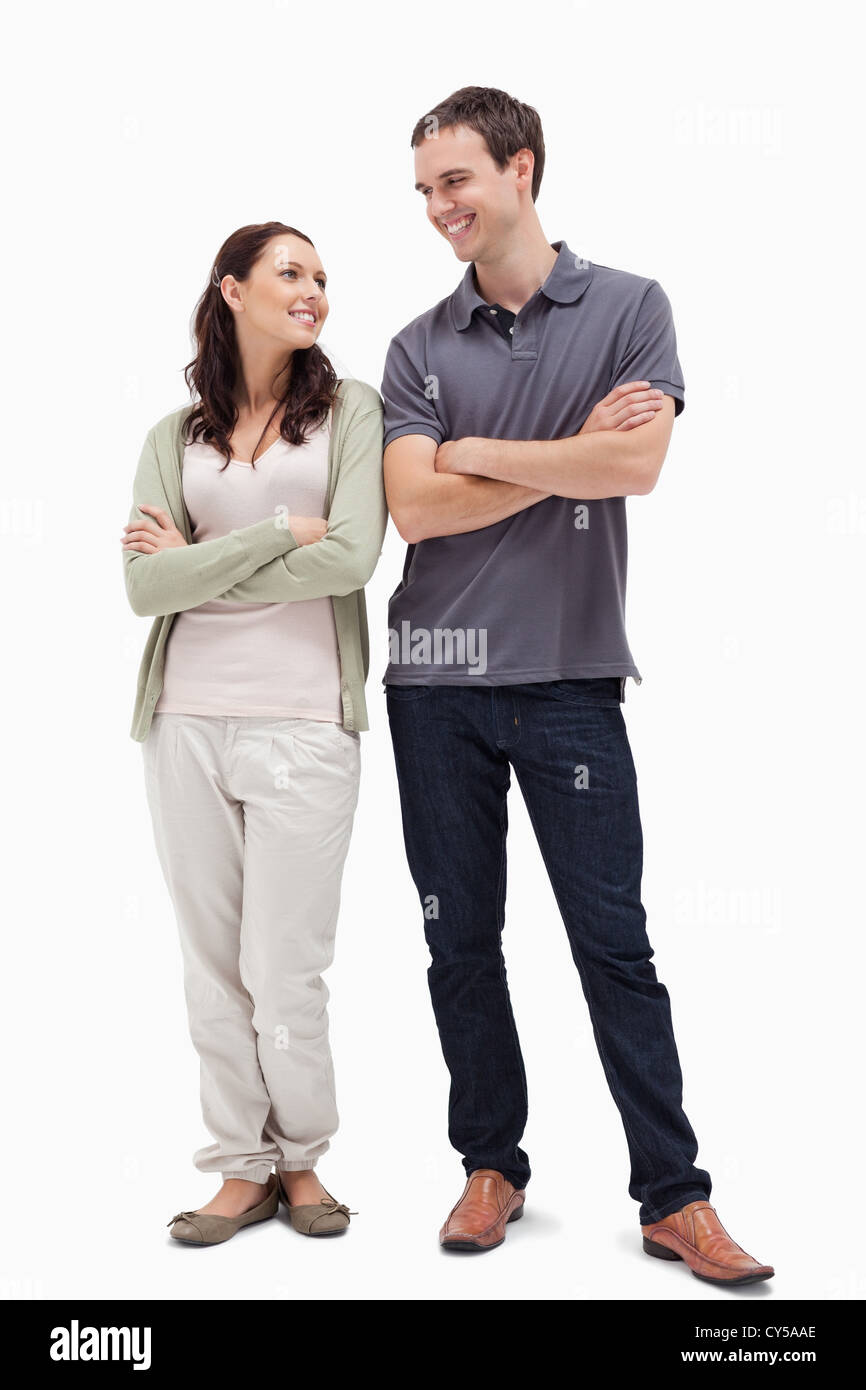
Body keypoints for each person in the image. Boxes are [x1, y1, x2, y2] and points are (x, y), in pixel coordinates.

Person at [380, 87, 774, 1285]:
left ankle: (672, 1195)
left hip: (567, 681)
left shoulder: (628, 307)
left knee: (614, 944)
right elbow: (409, 508)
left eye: (456, 180)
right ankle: (489, 1163)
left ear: (520, 166)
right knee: (460, 944)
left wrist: (480, 453)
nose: (440, 208)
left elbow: (637, 464)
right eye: (423, 191)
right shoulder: (413, 345)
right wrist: (564, 461)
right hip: (432, 678)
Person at [122, 221, 386, 1246]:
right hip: (184, 719)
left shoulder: (350, 413)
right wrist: (277, 531)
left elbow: (353, 557)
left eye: (321, 276)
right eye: (291, 272)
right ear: (231, 290)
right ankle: (238, 1166)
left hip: (306, 720)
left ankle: (304, 1158)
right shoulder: (171, 434)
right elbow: (145, 585)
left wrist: (205, 556)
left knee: (287, 962)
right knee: (211, 962)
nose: (313, 288)